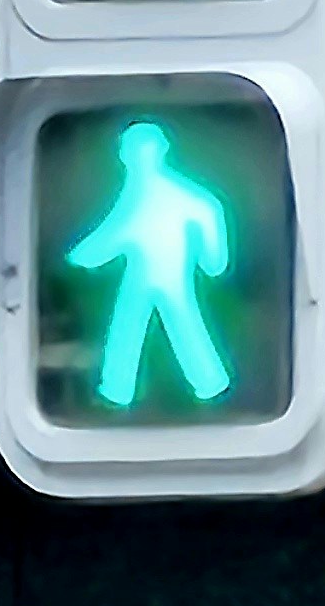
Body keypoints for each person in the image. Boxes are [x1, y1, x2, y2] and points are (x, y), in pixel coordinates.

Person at [64, 118, 234, 407]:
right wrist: (212, 258)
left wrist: (82, 256)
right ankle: (124, 388)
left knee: (165, 324)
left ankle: (204, 382)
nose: (129, 157)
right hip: (147, 272)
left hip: (163, 272)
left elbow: (116, 231)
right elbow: (116, 230)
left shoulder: (158, 190)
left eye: (133, 150)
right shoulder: (146, 189)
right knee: (145, 326)